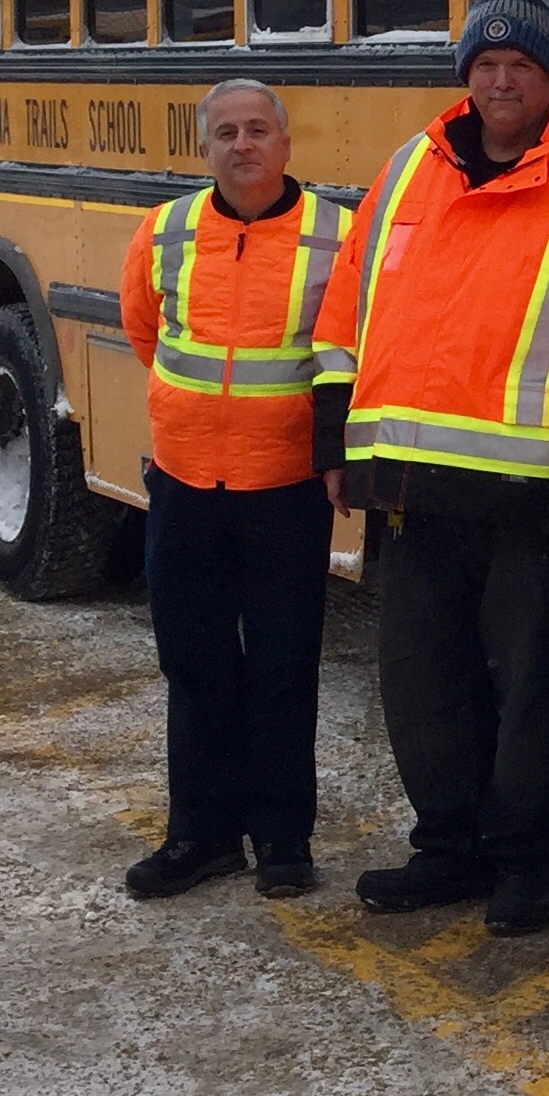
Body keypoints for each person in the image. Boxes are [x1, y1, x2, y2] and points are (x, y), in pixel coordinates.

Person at [310, 0, 549, 935]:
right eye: (484, 64)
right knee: (421, 679)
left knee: (534, 689)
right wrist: (334, 432)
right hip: (414, 485)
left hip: (536, 493)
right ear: (465, 74)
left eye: (519, 65)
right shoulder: (410, 167)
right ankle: (450, 846)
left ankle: (529, 860)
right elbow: (348, 303)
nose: (500, 81)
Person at [117, 78, 349, 901]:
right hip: (184, 484)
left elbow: (352, 345)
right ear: (203, 148)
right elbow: (144, 327)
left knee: (283, 667)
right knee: (194, 663)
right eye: (226, 133)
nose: (242, 145)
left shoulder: (335, 234)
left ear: (285, 143)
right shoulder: (167, 229)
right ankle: (201, 835)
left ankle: (283, 837)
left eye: (257, 130)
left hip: (284, 488)